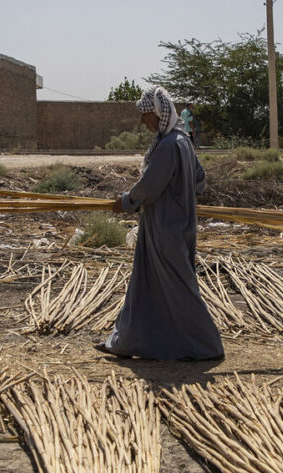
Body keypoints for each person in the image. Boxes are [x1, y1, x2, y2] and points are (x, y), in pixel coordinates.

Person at [95, 87, 223, 361]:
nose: (143, 122)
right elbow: (199, 179)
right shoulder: (183, 141)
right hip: (176, 225)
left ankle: (206, 345)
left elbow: (151, 186)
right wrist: (183, 192)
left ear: (158, 113)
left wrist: (127, 201)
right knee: (150, 286)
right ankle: (128, 341)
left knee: (177, 288)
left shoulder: (168, 146)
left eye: (145, 115)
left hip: (165, 229)